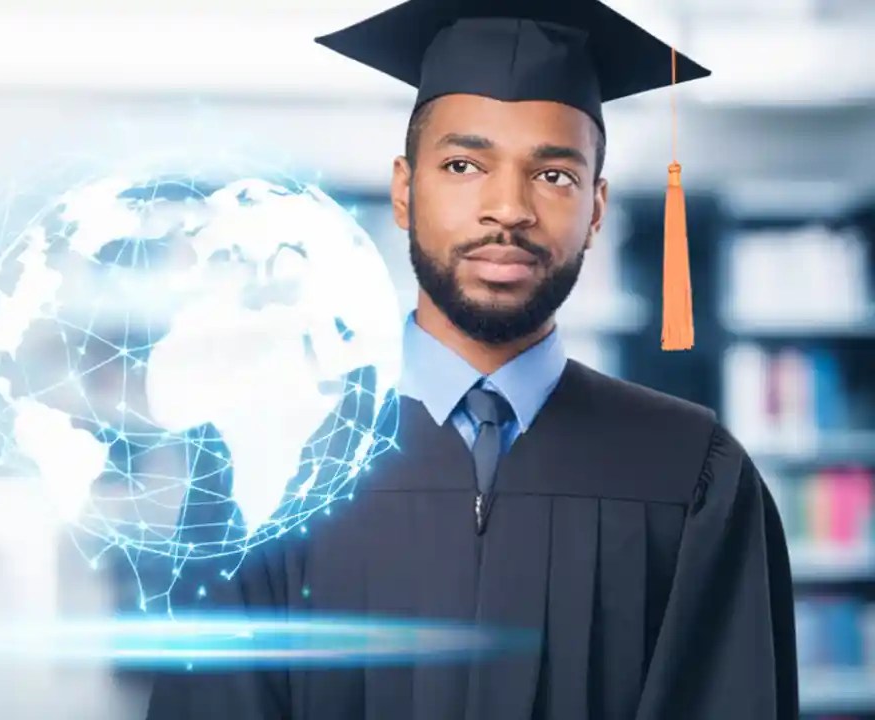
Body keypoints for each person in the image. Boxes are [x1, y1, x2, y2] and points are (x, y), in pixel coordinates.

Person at [145, 0, 799, 718]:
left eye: (553, 176)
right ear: (403, 190)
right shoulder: (259, 463)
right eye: (463, 165)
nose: (508, 208)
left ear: (598, 208)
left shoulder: (693, 474)